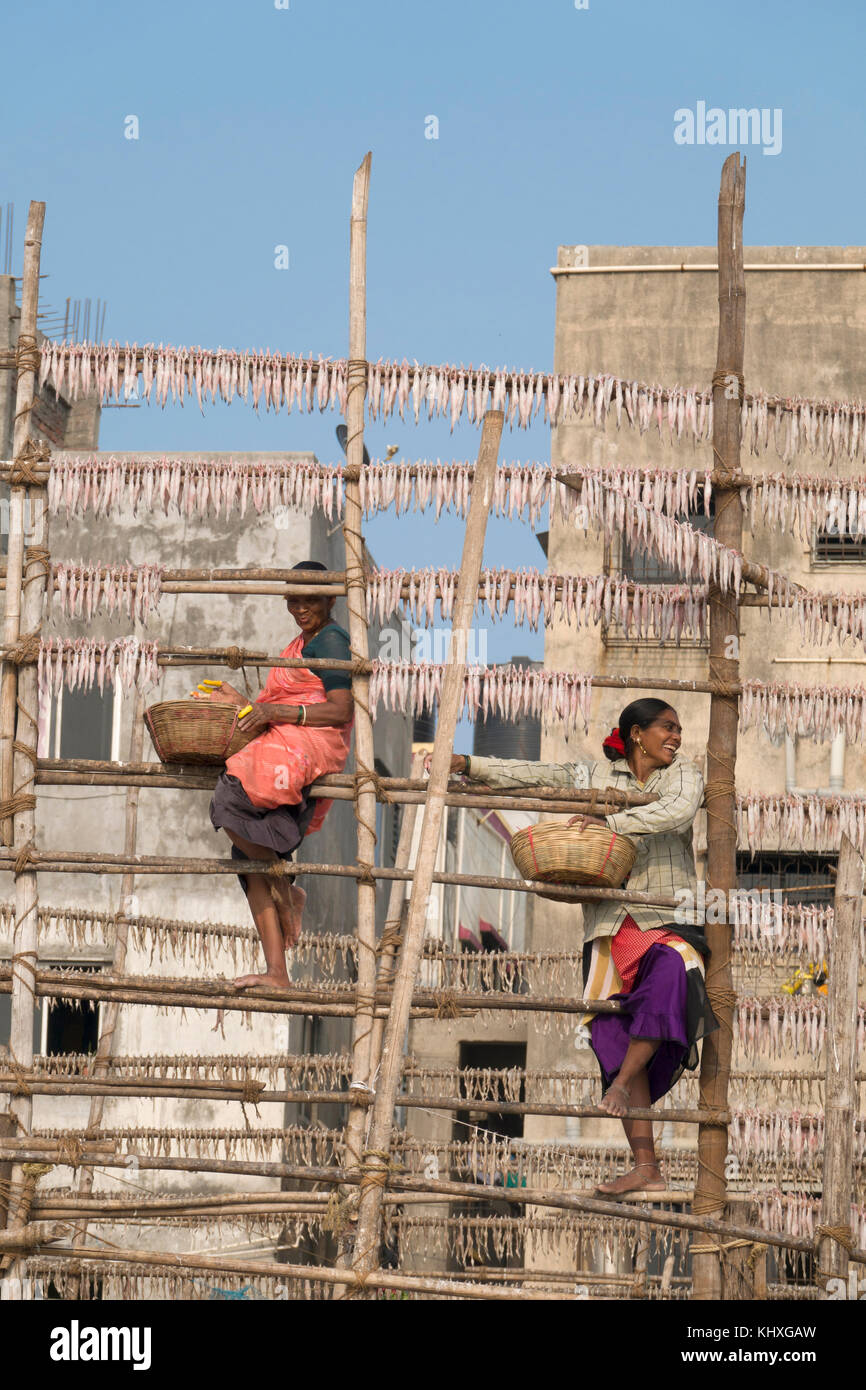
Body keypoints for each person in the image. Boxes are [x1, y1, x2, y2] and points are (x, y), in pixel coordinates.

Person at [446, 698, 718, 1197]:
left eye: (679, 729)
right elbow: (536, 774)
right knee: (614, 1031)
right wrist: (470, 764)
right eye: (667, 728)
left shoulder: (684, 777)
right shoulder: (596, 775)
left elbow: (676, 813)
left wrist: (608, 825)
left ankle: (620, 1090)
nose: (676, 737)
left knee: (667, 981)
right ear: (637, 733)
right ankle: (646, 1165)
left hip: (668, 919)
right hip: (611, 925)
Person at [202, 560, 354, 990]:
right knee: (251, 863)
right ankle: (277, 973)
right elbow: (277, 706)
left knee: (231, 797)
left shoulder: (333, 641)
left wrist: (273, 711)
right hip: (286, 738)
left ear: (330, 599)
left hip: (314, 742)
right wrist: (246, 702)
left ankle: (285, 884)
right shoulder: (301, 643)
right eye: (294, 600)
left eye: (311, 599)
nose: (301, 608)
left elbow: (340, 710)